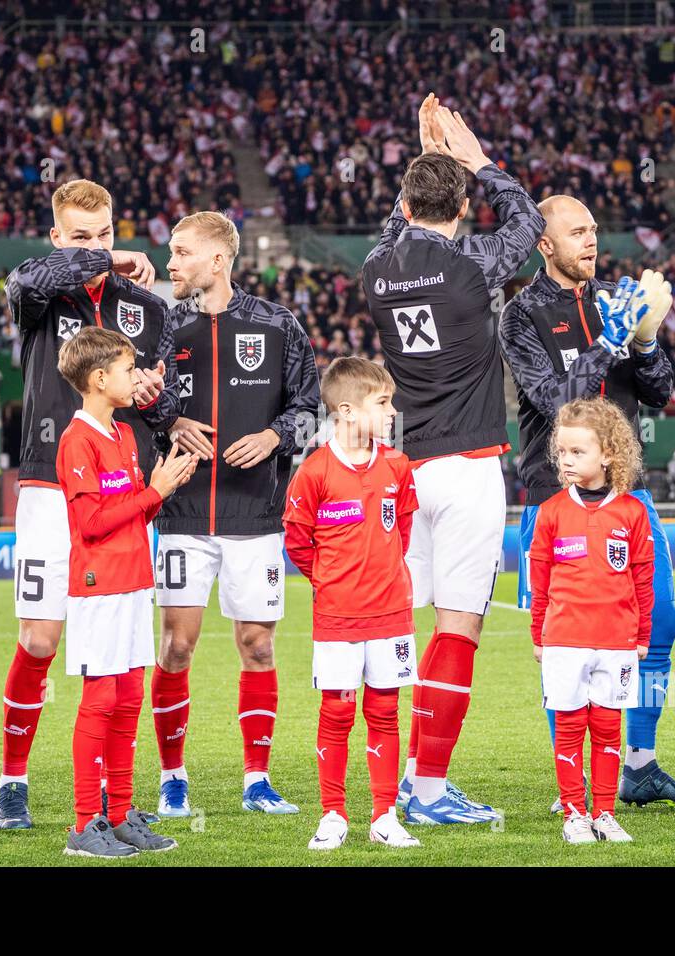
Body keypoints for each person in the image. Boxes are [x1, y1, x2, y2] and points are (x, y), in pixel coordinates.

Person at [362, 95, 544, 824]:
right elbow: (528, 225)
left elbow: (392, 233)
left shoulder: (377, 270)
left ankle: (387, 782)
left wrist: (425, 167)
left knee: (391, 625)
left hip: (404, 465)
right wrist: (475, 160)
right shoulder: (475, 263)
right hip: (469, 466)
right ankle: (429, 787)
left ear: (404, 203)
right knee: (458, 625)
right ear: (463, 207)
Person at [500, 192, 675, 809]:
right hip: (553, 496)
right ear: (545, 244)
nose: (591, 240)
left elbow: (664, 390)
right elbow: (552, 398)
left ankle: (638, 765)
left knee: (659, 622)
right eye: (576, 232)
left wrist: (643, 340)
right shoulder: (521, 314)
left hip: (630, 496)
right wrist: (614, 336)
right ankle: (575, 788)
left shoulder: (617, 295)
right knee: (563, 643)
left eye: (593, 229)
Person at [0, 179, 168, 829]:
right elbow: (20, 282)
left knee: (114, 650)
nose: (96, 247)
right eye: (80, 237)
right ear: (57, 237)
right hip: (47, 485)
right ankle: (13, 779)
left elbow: (157, 400)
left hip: (118, 493)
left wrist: (154, 399)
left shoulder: (142, 307)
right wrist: (99, 261)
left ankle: (106, 796)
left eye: (106, 235)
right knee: (40, 639)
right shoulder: (40, 297)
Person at [147, 210, 320, 818]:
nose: (171, 262)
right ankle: (172, 777)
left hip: (256, 514)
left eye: (182, 251)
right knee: (176, 645)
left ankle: (257, 780)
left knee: (257, 645)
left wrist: (275, 438)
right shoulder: (163, 327)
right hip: (183, 511)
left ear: (219, 259)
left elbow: (308, 407)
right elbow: (136, 400)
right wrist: (168, 419)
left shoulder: (277, 324)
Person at [54, 328, 195, 858]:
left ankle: (119, 814)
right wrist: (150, 495)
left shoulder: (124, 435)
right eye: (127, 369)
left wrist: (159, 492)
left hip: (135, 580)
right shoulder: (77, 439)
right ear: (98, 379)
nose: (135, 377)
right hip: (99, 586)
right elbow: (90, 524)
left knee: (130, 695)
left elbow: (135, 513)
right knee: (101, 699)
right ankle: (84, 823)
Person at [283, 357, 421, 850]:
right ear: (345, 410)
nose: (392, 412)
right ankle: (334, 814)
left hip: (392, 614)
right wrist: (329, 579)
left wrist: (384, 574)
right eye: (382, 403)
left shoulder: (396, 465)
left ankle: (384, 814)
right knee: (337, 712)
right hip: (338, 617)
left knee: (385, 710)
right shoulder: (314, 471)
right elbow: (298, 542)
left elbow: (401, 530)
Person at [530, 398, 654, 844]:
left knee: (606, 726)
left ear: (608, 454)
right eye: (561, 452)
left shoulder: (632, 513)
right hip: (564, 639)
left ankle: (603, 813)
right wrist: (538, 634)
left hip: (617, 640)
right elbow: (539, 582)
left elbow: (643, 578)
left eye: (577, 452)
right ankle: (573, 813)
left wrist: (641, 635)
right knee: (568, 725)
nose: (565, 460)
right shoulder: (551, 512)